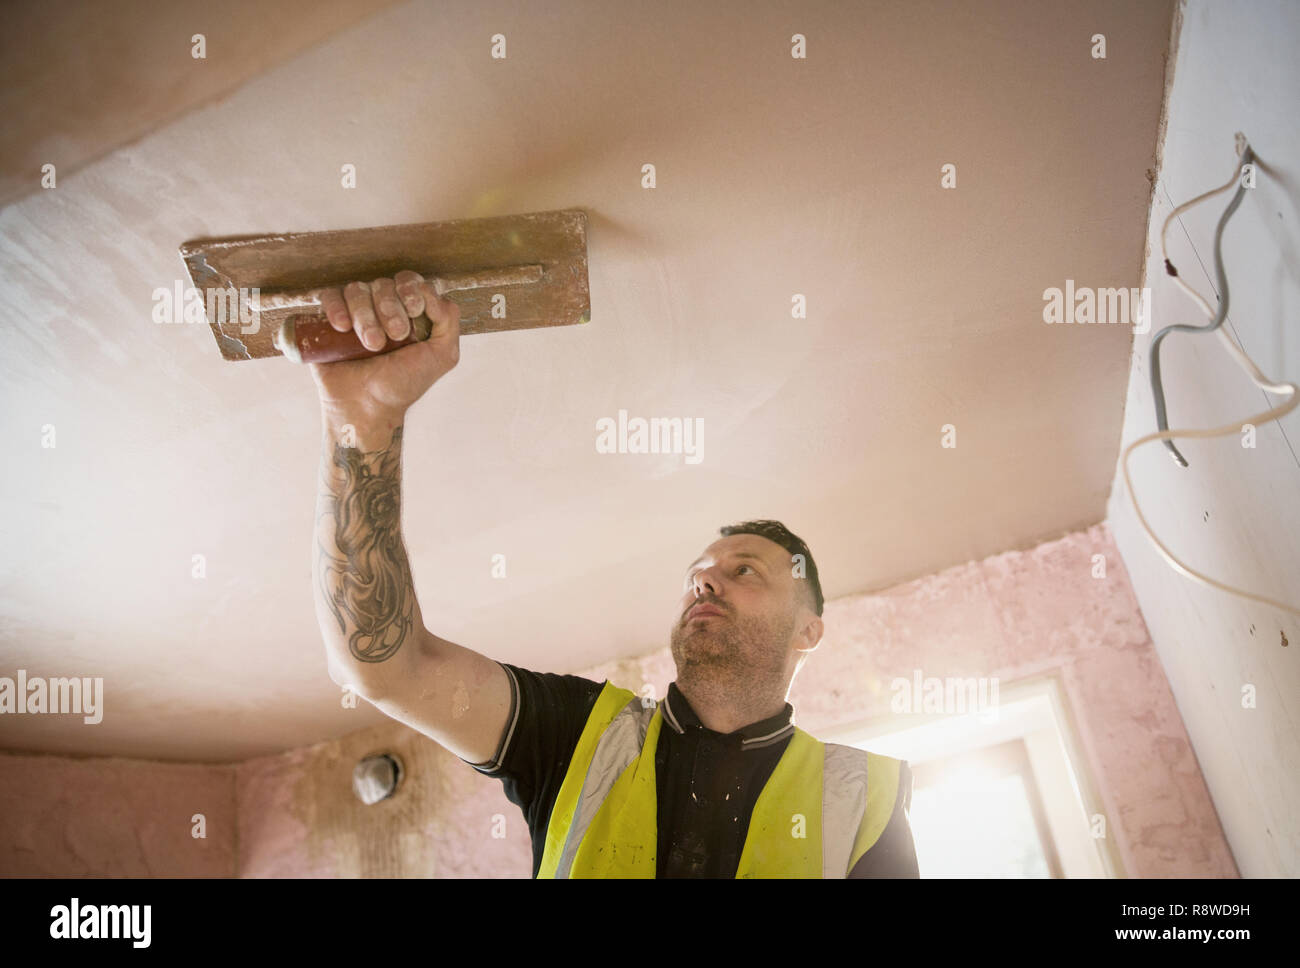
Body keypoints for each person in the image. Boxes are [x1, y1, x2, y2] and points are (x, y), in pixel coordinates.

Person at [307, 271, 919, 878]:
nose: (705, 582)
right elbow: (384, 666)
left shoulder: (867, 796)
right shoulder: (579, 733)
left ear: (808, 631)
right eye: (697, 573)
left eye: (745, 571)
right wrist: (364, 421)